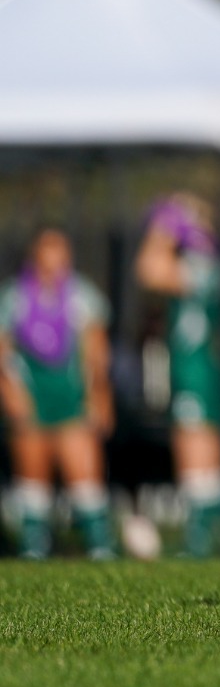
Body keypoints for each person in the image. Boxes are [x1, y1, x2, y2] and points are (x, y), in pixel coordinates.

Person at [135, 193, 220, 558]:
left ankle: (211, 538)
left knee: (193, 445)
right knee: (204, 454)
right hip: (198, 366)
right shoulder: (205, 263)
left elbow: (147, 269)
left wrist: (163, 229)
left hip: (195, 368)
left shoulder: (200, 264)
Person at [0, 228, 116, 559]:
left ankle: (100, 549)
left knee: (85, 478)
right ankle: (33, 550)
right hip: (33, 397)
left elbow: (96, 352)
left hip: (72, 399)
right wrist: (10, 392)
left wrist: (100, 395)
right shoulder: (14, 297)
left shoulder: (83, 296)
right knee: (32, 480)